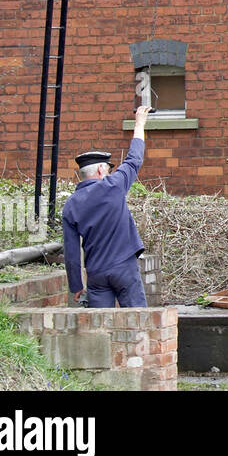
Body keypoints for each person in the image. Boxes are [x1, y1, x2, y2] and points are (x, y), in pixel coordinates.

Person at [62, 105, 152, 307]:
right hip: (124, 267)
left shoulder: (71, 204)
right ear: (101, 170)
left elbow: (71, 250)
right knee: (137, 318)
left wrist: (76, 285)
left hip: (96, 274)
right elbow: (134, 159)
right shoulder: (113, 186)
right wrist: (139, 124)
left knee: (101, 323)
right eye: (109, 170)